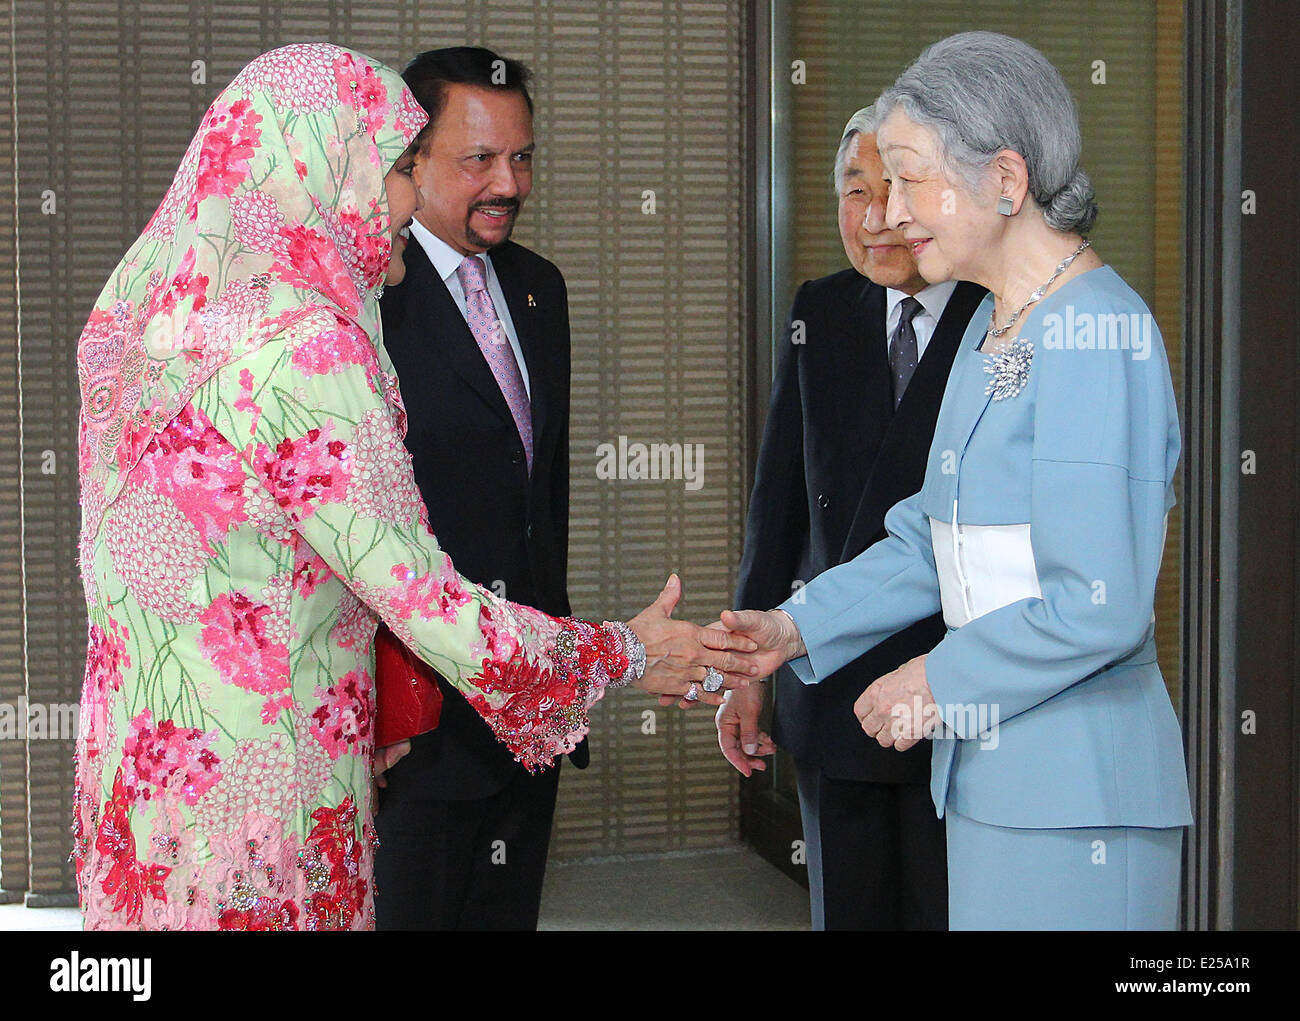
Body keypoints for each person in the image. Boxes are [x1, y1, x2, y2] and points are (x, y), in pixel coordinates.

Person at [72, 42, 751, 931]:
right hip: (264, 808)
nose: (402, 200)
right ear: (319, 169)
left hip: (146, 787)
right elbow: (430, 603)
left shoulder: (141, 317)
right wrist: (627, 650)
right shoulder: (308, 347)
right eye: (394, 168)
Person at [721, 31, 1192, 930]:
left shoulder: (1100, 333)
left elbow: (1098, 602)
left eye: (909, 177)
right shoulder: (991, 331)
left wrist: (935, 679)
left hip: (1077, 797)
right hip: (985, 779)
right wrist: (792, 623)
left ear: (1006, 181)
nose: (889, 212)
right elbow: (928, 538)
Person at [718, 105, 985, 930]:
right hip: (830, 679)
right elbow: (780, 501)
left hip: (959, 693)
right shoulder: (820, 310)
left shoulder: (997, 314)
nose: (874, 219)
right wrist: (746, 668)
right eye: (852, 190)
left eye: (896, 189)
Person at [373, 47, 578, 931]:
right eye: (479, 159)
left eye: (522, 156)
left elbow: (540, 498)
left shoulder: (540, 288)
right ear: (411, 160)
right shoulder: (367, 296)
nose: (509, 181)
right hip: (413, 725)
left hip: (527, 710)